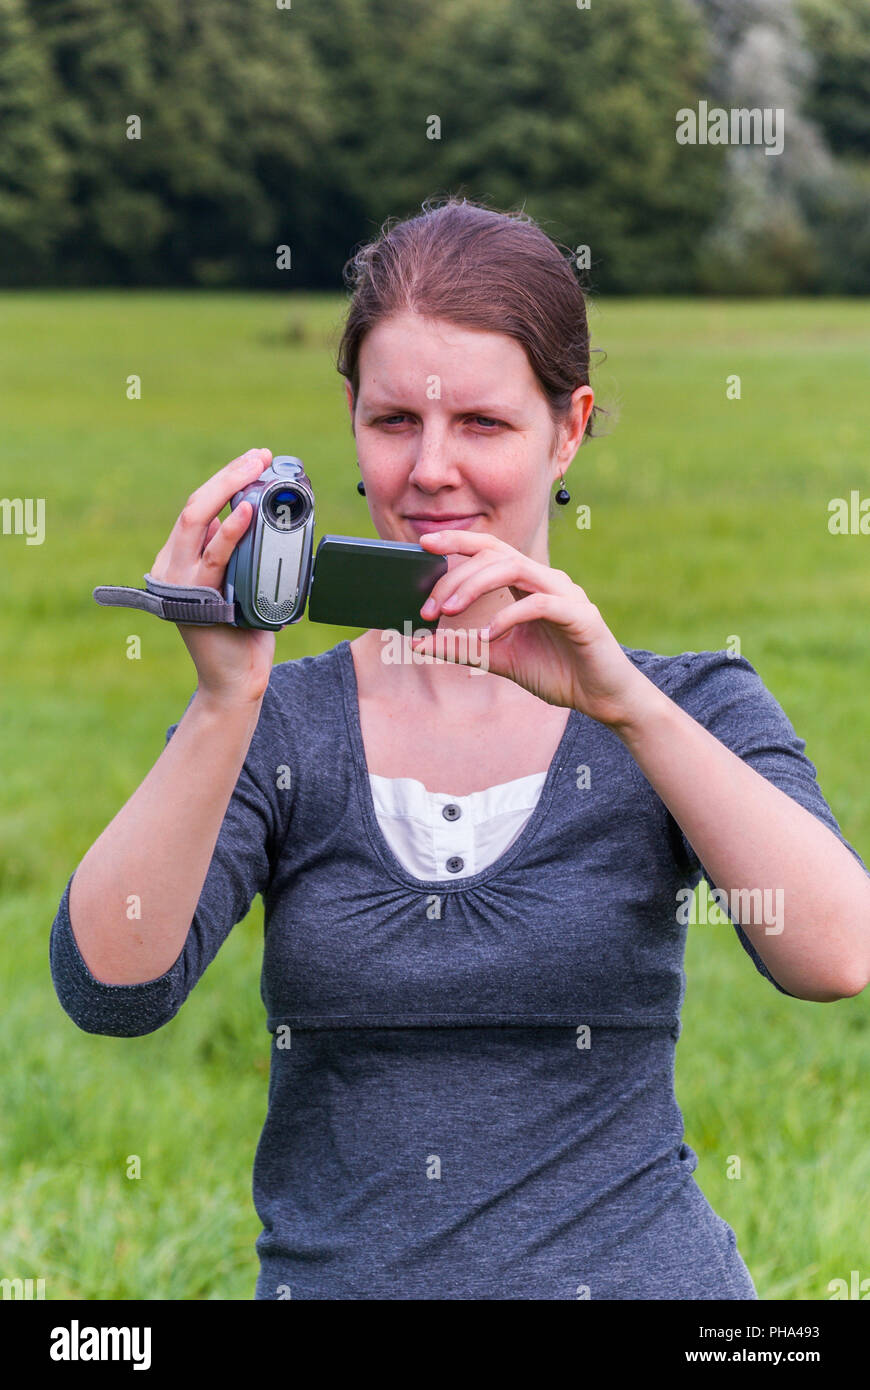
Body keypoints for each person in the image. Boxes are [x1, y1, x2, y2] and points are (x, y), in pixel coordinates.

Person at [50, 196, 870, 1300]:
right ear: (350, 419)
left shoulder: (685, 702)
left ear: (567, 427)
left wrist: (623, 704)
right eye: (395, 421)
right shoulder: (280, 722)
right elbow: (112, 987)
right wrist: (220, 700)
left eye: (482, 423)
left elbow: (837, 955)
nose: (431, 468)